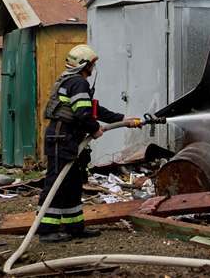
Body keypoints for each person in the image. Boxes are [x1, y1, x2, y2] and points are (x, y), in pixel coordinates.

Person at [38, 45, 140, 243]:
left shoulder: (72, 81)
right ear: (84, 64)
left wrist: (124, 119)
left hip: (68, 138)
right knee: (55, 185)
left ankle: (75, 228)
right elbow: (83, 115)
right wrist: (95, 130)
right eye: (92, 65)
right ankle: (46, 231)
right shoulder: (78, 83)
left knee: (73, 184)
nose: (93, 69)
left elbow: (94, 110)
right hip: (62, 138)